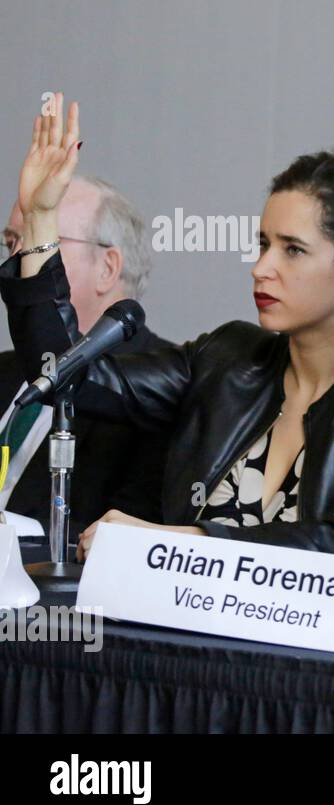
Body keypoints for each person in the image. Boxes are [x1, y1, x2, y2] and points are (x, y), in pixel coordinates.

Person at [0, 93, 334, 562]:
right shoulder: (231, 357)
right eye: (262, 244)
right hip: (188, 631)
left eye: (292, 250)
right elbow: (65, 373)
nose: (261, 268)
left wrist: (176, 540)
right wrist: (38, 222)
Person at [1, 163, 170, 535]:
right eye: (12, 242)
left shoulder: (156, 391)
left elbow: (116, 542)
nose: (17, 261)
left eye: (39, 242)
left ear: (108, 267)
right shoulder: (6, 371)